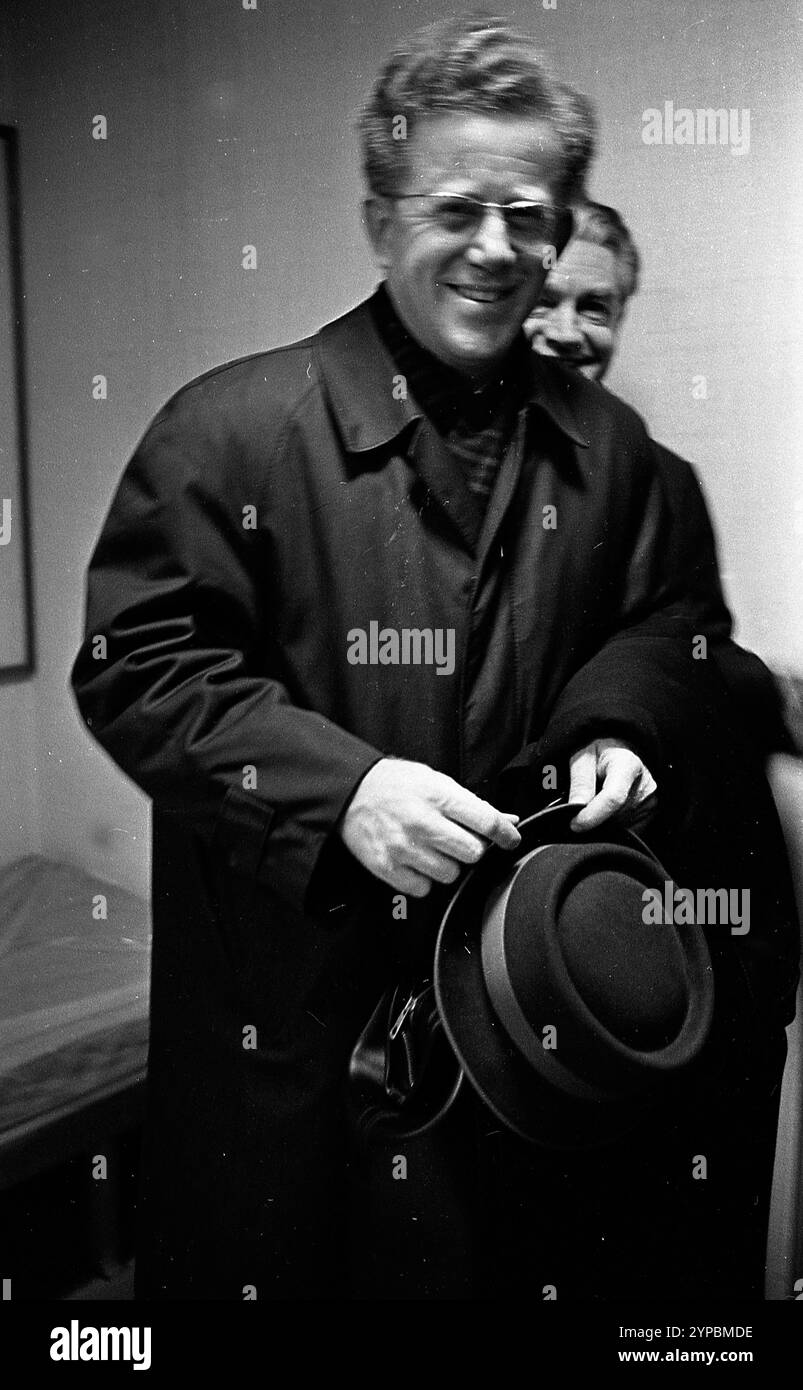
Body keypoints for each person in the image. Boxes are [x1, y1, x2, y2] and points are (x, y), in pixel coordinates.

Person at [71, 15, 798, 1300]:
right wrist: (339, 791)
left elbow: (678, 630)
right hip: (297, 1054)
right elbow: (137, 663)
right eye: (457, 206)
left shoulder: (619, 456)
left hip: (524, 1060)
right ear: (378, 215)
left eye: (528, 214)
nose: (496, 248)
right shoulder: (233, 431)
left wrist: (618, 729)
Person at [526, 200, 793, 752]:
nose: (567, 332)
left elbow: (703, 646)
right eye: (542, 302)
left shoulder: (667, 478)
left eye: (595, 308)